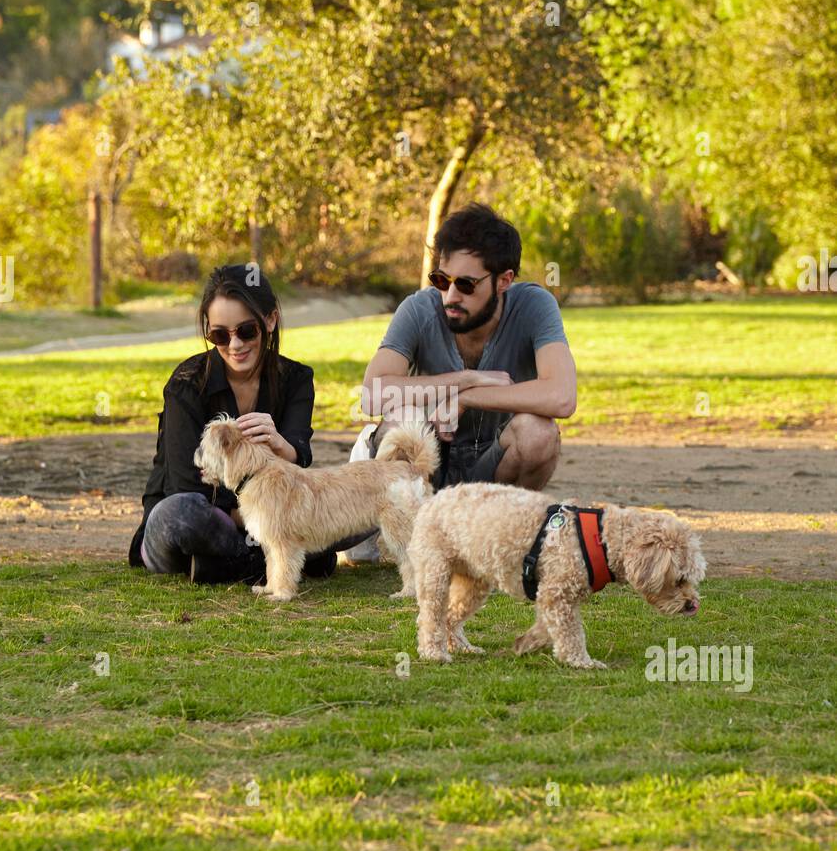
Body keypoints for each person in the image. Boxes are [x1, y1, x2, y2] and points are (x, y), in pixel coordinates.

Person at [346, 202, 576, 560]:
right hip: (427, 460)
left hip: (491, 462)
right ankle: (398, 525)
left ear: (504, 280)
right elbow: (372, 394)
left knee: (538, 433)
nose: (450, 296)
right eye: (441, 280)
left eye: (466, 284)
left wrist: (469, 398)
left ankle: (502, 536)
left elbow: (562, 397)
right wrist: (463, 379)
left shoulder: (534, 306)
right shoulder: (419, 308)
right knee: (399, 420)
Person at [127, 263, 336, 585]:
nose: (235, 345)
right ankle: (270, 559)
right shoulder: (186, 385)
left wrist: (284, 446)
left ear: (270, 320)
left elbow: (300, 460)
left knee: (352, 497)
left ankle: (229, 564)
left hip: (274, 514)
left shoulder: (296, 379)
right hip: (201, 520)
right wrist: (260, 514)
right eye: (219, 335)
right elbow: (185, 485)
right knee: (182, 513)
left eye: (247, 330)